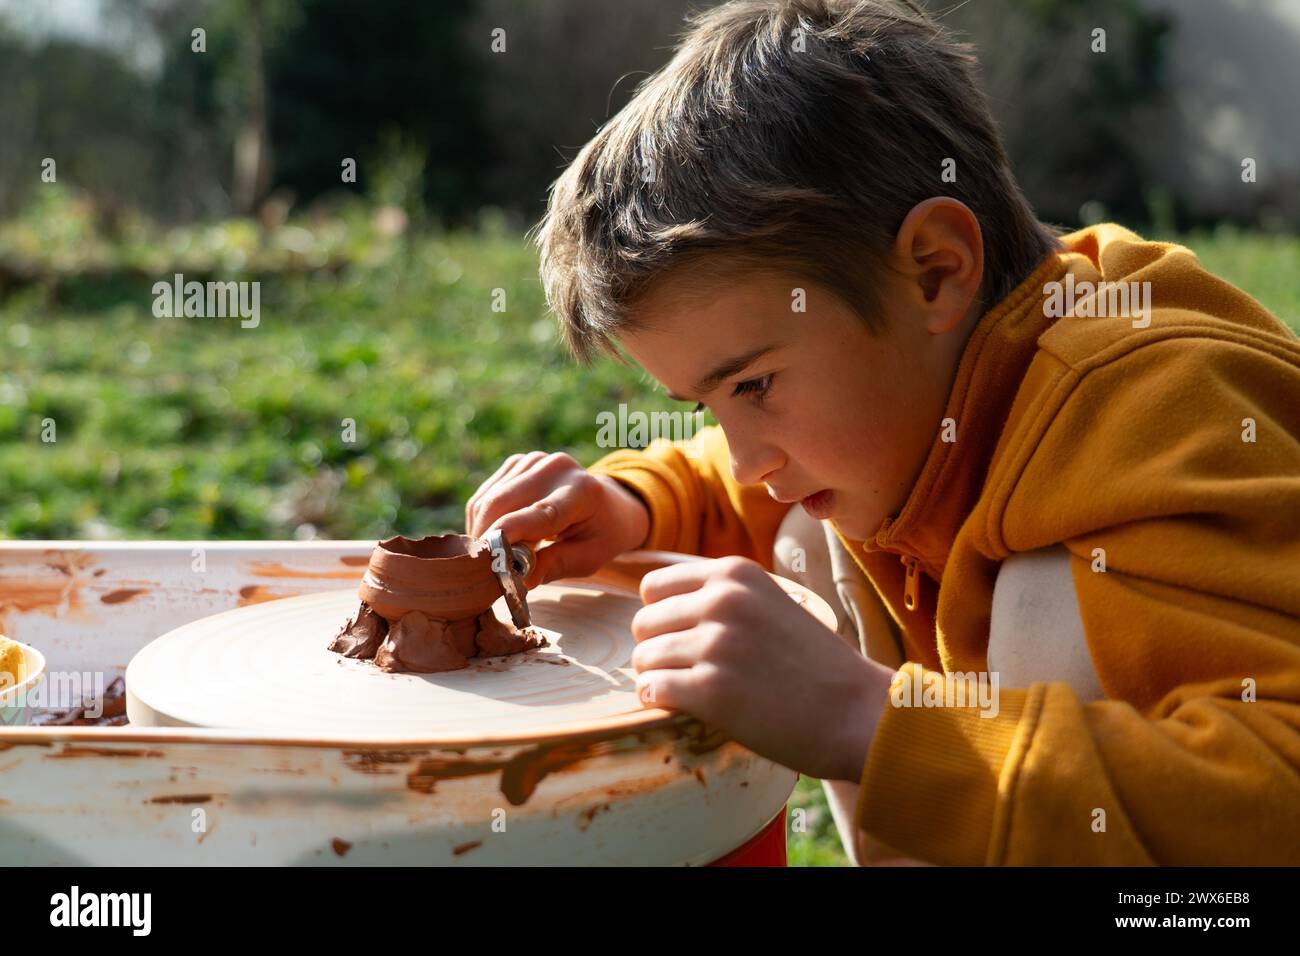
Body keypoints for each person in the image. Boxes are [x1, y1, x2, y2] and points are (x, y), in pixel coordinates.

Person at [465, 0, 1300, 865]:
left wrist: (864, 718)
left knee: (1044, 601)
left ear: (936, 269)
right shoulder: (925, 395)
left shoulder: (1155, 410)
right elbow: (725, 471)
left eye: (753, 384)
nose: (748, 459)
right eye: (711, 402)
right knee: (801, 535)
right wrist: (631, 506)